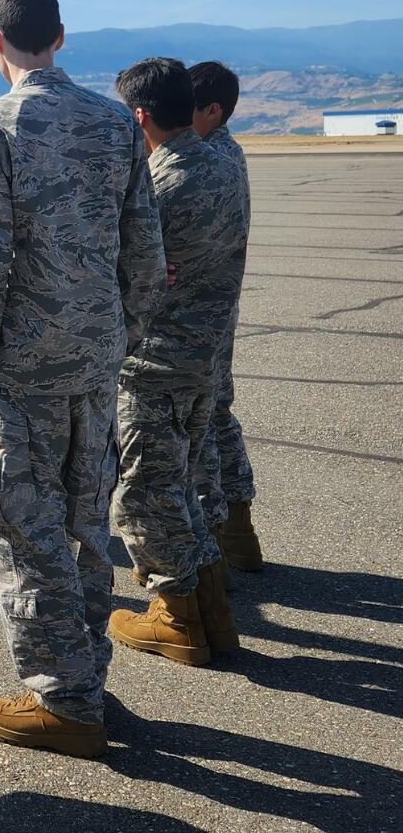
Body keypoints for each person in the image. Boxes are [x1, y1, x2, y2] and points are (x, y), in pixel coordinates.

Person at [0, 0, 166, 757]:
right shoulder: (115, 124)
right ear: (61, 37)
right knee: (84, 524)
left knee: (23, 532)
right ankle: (87, 675)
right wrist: (118, 334)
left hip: (22, 372)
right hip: (96, 364)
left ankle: (64, 700)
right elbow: (145, 250)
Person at [109, 58, 245, 668]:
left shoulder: (160, 185)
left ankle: (176, 619)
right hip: (207, 359)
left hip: (154, 365)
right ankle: (213, 612)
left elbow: (118, 272)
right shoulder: (224, 164)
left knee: (147, 491)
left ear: (139, 115)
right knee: (194, 484)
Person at [189, 60, 262, 571]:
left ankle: (216, 544)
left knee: (202, 428)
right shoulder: (226, 153)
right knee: (217, 418)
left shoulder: (205, 162)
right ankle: (237, 533)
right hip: (216, 315)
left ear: (213, 111)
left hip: (196, 321)